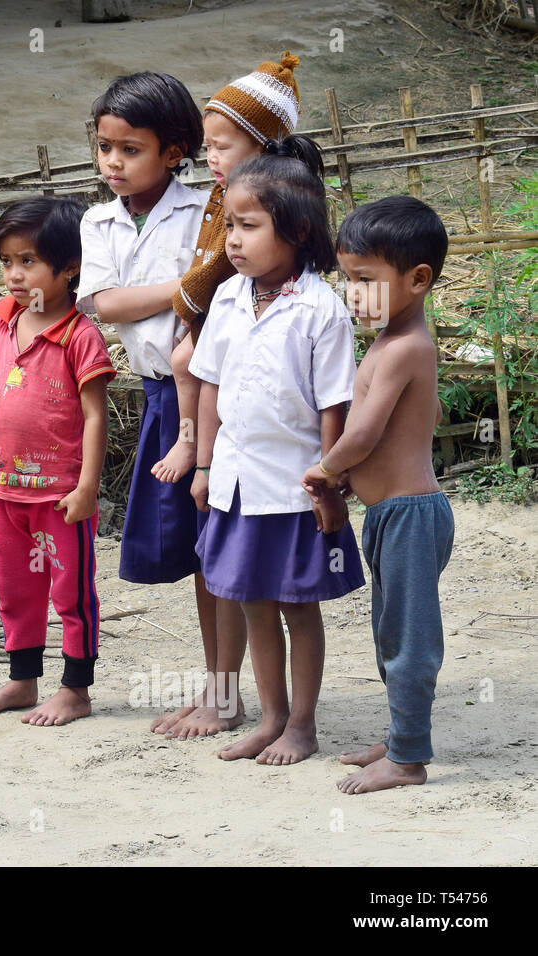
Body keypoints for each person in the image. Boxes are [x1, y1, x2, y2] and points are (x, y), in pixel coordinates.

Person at [77, 71, 245, 738]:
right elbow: (102, 302)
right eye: (104, 148)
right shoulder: (97, 221)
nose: (114, 163)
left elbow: (219, 291)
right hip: (156, 395)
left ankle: (226, 695)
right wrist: (185, 285)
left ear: (175, 152)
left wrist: (177, 289)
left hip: (210, 394)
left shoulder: (207, 209)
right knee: (196, 552)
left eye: (131, 150)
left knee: (219, 545)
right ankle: (218, 688)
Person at [189, 136, 366, 765]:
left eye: (248, 225)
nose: (232, 239)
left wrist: (327, 483)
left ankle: (303, 725)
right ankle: (269, 717)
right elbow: (208, 388)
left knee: (297, 606)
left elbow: (333, 409)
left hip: (293, 488)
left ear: (293, 231)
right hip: (235, 483)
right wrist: (205, 465)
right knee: (252, 602)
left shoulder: (322, 310)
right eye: (229, 224)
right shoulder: (229, 299)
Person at [149, 53, 303, 738]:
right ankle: (224, 692)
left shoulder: (277, 236)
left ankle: (256, 706)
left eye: (221, 145)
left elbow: (208, 275)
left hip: (250, 428)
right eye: (207, 146)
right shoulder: (227, 204)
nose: (209, 158)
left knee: (251, 574)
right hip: (213, 399)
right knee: (211, 560)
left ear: (263, 149)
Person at [301, 196, 454, 793]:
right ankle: (398, 737)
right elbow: (422, 415)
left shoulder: (407, 347)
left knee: (411, 639)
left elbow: (362, 434)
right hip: (390, 514)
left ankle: (410, 758)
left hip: (411, 516)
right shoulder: (391, 346)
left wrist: (325, 469)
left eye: (366, 280)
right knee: (389, 631)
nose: (353, 294)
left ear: (418, 280)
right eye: (348, 280)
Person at [0, 196, 116, 726]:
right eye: (7, 261)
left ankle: (75, 689)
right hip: (6, 492)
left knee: (69, 593)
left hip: (60, 496)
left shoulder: (80, 335)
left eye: (28, 261)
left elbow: (95, 417)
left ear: (69, 267)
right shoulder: (2, 325)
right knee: (15, 590)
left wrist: (87, 487)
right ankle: (22, 680)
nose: (14, 274)